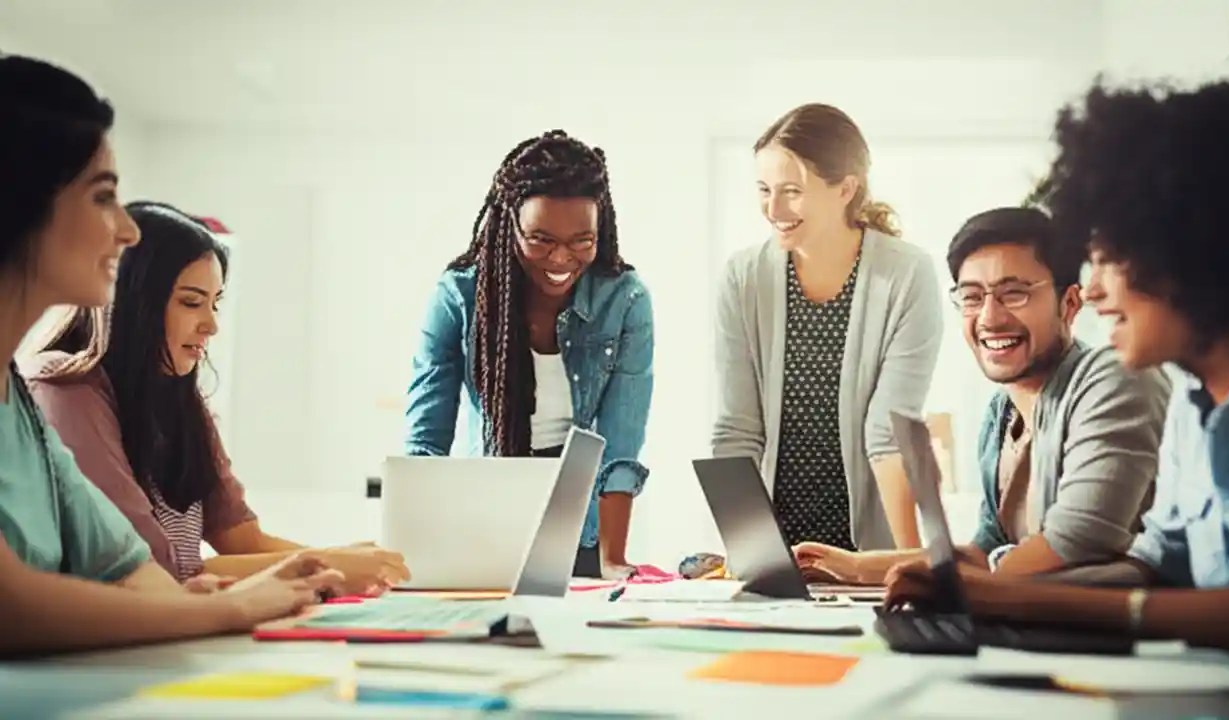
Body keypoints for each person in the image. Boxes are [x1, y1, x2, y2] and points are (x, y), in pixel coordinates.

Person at [885, 74, 1229, 659]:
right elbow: (1152, 565)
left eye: (1109, 260)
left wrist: (1007, 597)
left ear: (1193, 249)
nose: (1092, 292)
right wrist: (983, 592)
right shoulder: (1191, 412)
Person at [0, 54, 342, 656]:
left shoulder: (21, 406)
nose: (126, 230)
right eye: (103, 197)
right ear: (21, 202)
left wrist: (203, 604)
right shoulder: (60, 389)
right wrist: (228, 606)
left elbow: (131, 568)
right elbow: (12, 606)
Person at [23, 201, 409, 593]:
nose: (211, 325)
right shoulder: (66, 388)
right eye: (191, 302)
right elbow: (151, 570)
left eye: (214, 303)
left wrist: (343, 563)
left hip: (174, 620)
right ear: (135, 303)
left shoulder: (176, 394)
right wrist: (329, 565)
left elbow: (243, 539)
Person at [795, 207, 1170, 583]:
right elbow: (984, 552)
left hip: (1117, 618)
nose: (989, 318)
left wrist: (949, 587)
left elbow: (1074, 544)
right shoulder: (1000, 414)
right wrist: (855, 567)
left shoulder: (1115, 379)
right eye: (972, 297)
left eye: (1014, 294)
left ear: (1069, 304)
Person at [405, 130, 653, 580]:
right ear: (510, 225)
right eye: (541, 239)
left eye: (582, 240)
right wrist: (418, 551)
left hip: (578, 528)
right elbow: (426, 443)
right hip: (482, 521)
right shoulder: (459, 297)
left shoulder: (624, 299)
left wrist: (612, 559)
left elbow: (621, 442)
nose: (561, 258)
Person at [713, 103, 943, 553]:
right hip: (774, 549)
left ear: (846, 189)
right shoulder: (743, 277)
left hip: (869, 550)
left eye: (792, 191)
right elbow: (737, 430)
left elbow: (889, 431)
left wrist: (905, 560)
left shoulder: (906, 274)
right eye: (764, 189)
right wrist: (747, 556)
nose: (773, 208)